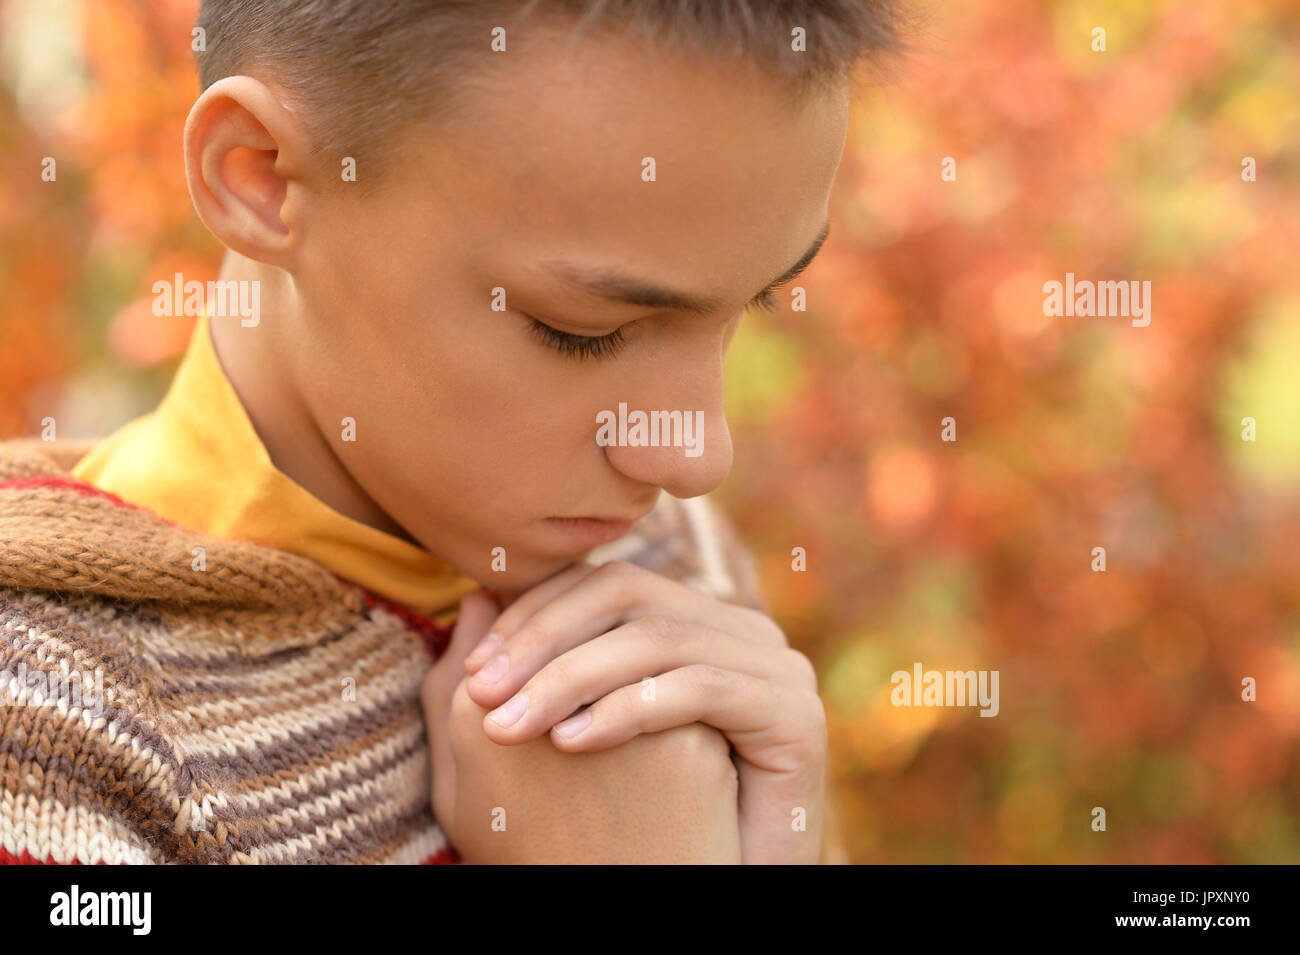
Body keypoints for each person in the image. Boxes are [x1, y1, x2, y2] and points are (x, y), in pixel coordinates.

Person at [0, 0, 908, 864]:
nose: (697, 458)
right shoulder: (47, 731)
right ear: (260, 176)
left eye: (759, 299)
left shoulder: (680, 564)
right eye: (580, 330)